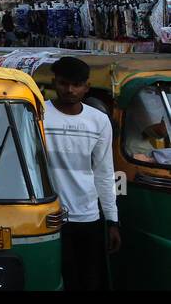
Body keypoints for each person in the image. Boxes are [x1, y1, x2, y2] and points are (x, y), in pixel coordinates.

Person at [44, 56, 121, 290]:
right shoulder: (38, 115)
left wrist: (112, 220)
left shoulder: (98, 121)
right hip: (49, 217)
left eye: (76, 85)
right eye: (64, 83)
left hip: (88, 217)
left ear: (86, 87)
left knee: (88, 280)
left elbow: (104, 172)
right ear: (54, 82)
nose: (69, 90)